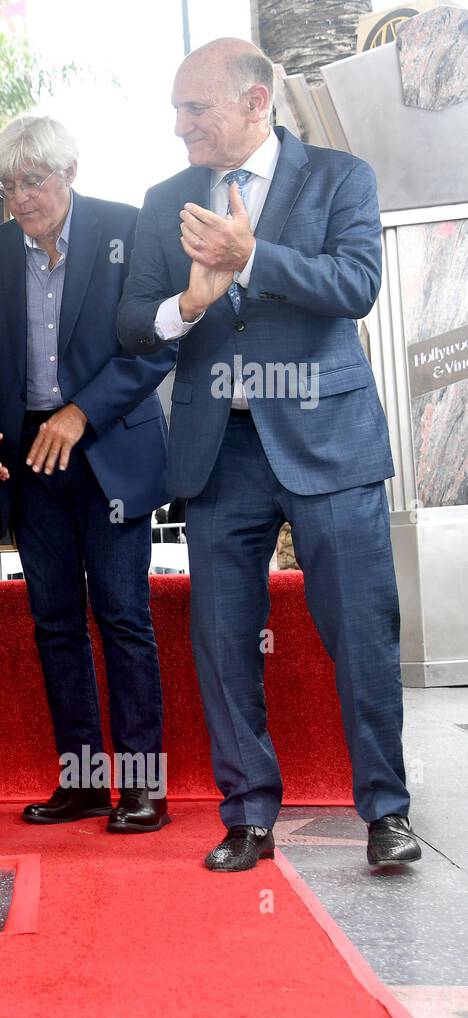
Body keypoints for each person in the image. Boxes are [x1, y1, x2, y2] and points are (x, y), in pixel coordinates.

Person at [117, 38, 420, 871]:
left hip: (329, 442)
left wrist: (251, 257)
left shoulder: (341, 178)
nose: (179, 126)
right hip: (222, 452)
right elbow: (133, 321)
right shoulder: (166, 199)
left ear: (256, 103)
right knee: (221, 638)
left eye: (195, 109)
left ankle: (387, 813)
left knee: (362, 632)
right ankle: (247, 814)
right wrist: (189, 300)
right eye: (177, 110)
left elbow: (354, 285)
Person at [0, 116, 178, 832]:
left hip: (109, 452)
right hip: (30, 463)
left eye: (35, 180)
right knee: (54, 622)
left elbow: (153, 349)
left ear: (70, 171)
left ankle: (144, 787)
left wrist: (80, 412)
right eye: (9, 185)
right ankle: (82, 782)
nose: (22, 197)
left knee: (121, 614)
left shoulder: (131, 228)